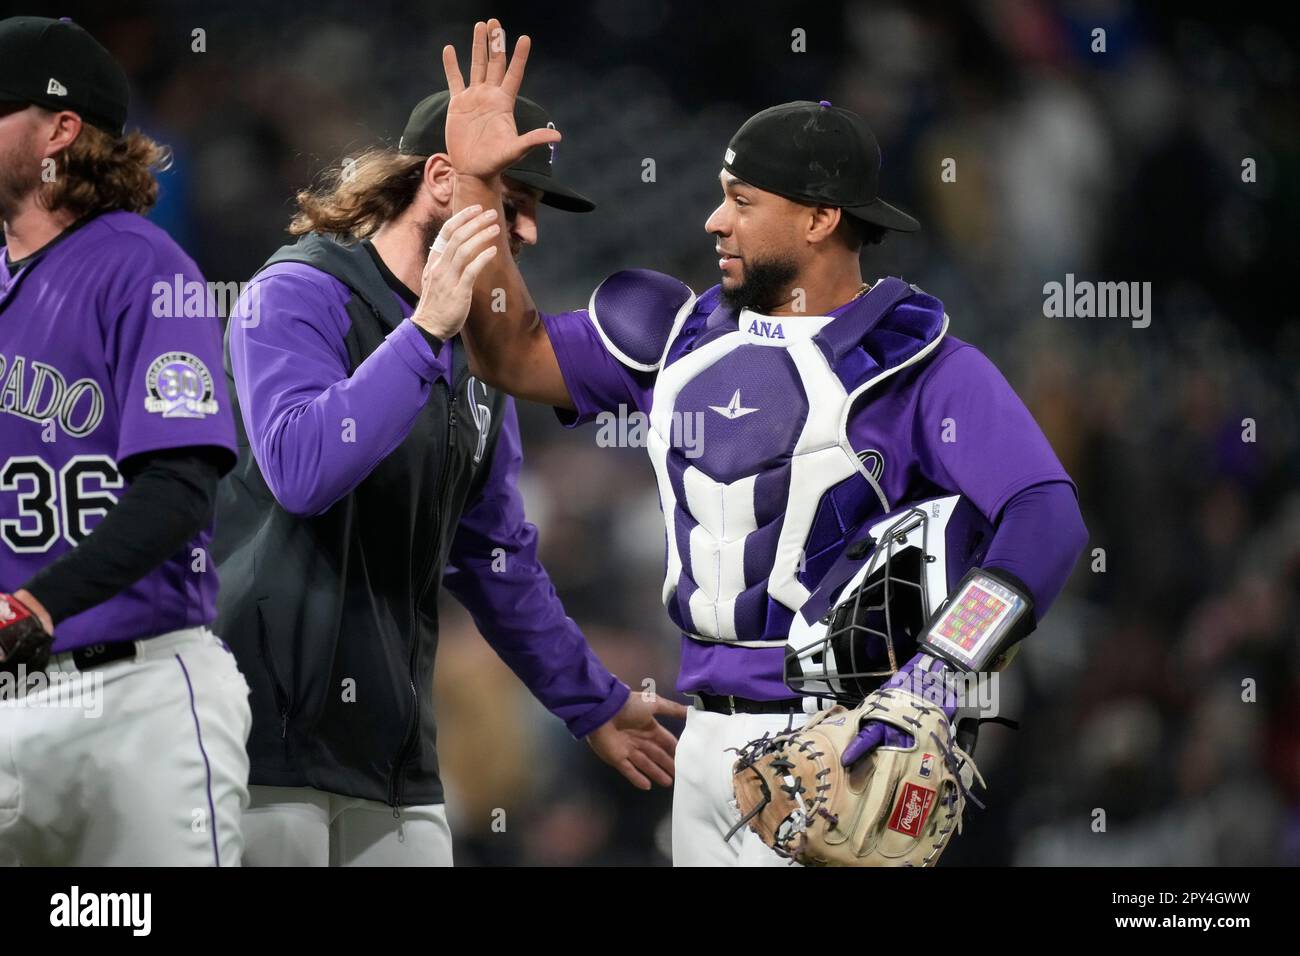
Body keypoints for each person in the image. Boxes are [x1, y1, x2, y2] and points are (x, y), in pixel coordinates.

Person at [435, 19, 1089, 866]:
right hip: (701, 747)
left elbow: (1045, 517)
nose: (715, 220)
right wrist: (481, 194)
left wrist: (933, 675)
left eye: (743, 201)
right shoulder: (673, 332)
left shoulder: (919, 363)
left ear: (820, 218)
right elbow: (508, 349)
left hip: (840, 744)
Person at [213, 89, 685, 867]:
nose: (528, 232)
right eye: (516, 203)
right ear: (442, 180)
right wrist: (424, 329)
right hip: (262, 741)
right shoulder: (296, 291)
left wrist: (591, 700)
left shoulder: (475, 355)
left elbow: (496, 559)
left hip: (392, 752)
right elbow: (302, 470)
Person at [0, 16, 248, 865]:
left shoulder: (146, 268)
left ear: (58, 130)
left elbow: (181, 487)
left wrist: (38, 604)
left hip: (137, 693)